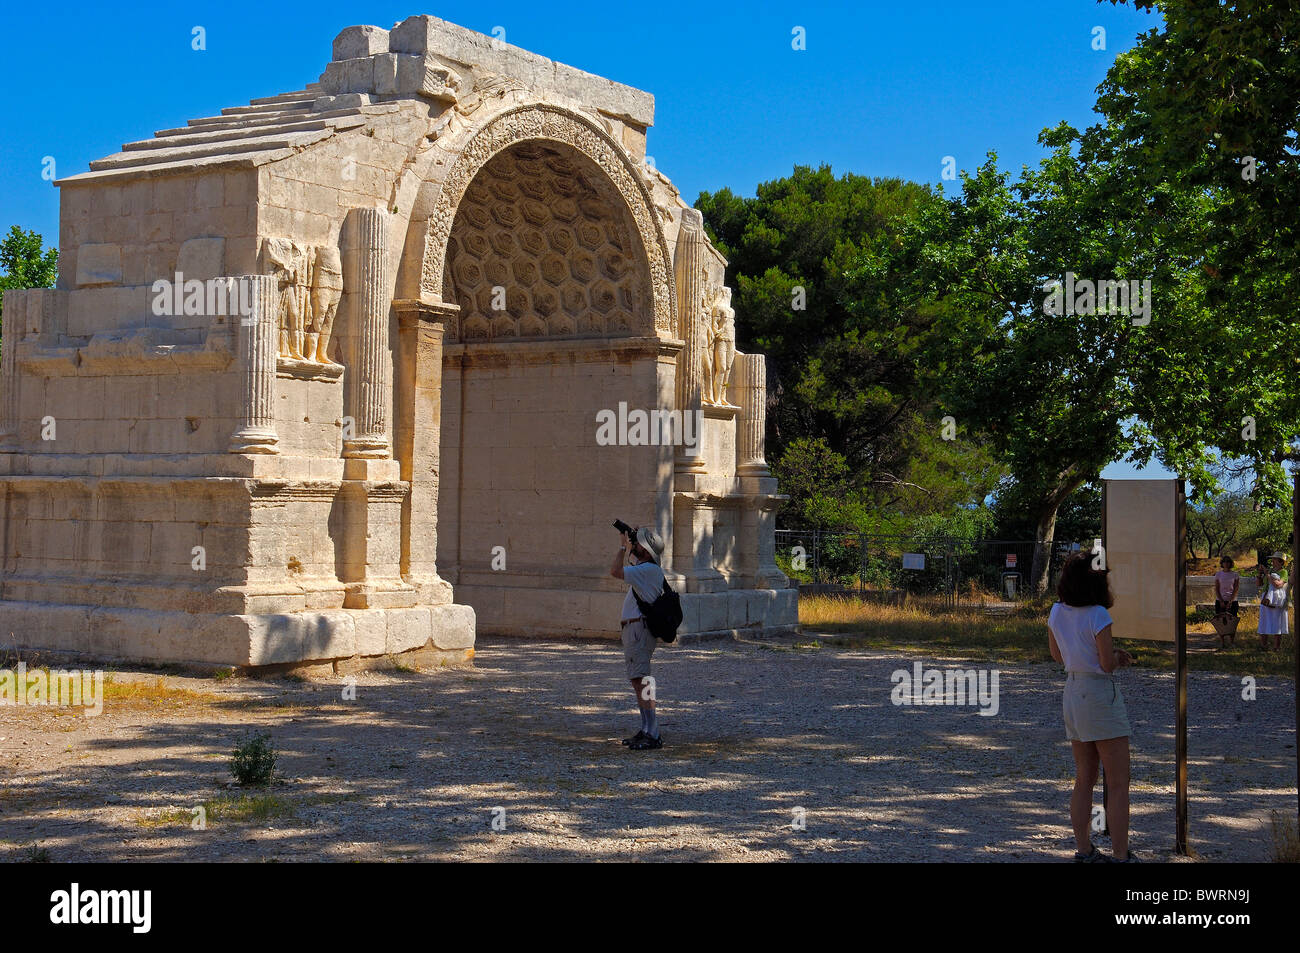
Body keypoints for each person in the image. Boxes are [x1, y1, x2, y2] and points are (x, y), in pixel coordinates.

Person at [1047, 552, 1137, 863]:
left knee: (1084, 776)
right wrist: (1119, 657)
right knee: (1118, 781)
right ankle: (1121, 855)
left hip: (1072, 690)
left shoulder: (1057, 612)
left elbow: (1057, 656)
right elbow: (1105, 664)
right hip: (1099, 693)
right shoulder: (1098, 614)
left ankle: (1084, 850)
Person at [609, 524, 667, 751]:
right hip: (637, 628)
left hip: (638, 629)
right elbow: (632, 565)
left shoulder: (647, 571)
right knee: (638, 679)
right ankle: (647, 729)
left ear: (645, 550)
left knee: (642, 679)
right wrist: (632, 541)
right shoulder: (646, 569)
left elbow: (615, 571)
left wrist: (623, 548)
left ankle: (653, 732)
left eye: (639, 544)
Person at [1257, 552, 1290, 652]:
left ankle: (1276, 647)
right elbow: (1259, 584)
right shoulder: (1270, 571)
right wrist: (1259, 574)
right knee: (1264, 621)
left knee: (1277, 621)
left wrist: (1267, 574)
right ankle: (1263, 646)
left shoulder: (1283, 572)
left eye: (1275, 559)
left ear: (1281, 562)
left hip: (1277, 599)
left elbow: (1278, 585)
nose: (1273, 561)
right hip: (1266, 597)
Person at [1213, 556, 1240, 649]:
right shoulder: (1218, 574)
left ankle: (1232, 642)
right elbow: (1216, 589)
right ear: (1222, 563)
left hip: (1232, 601)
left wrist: (1231, 601)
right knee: (1221, 622)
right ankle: (1222, 642)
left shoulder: (1235, 574)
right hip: (1220, 601)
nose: (1226, 563)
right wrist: (1221, 601)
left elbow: (1236, 588)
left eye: (1228, 561)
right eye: (1224, 561)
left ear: (1231, 563)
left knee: (1232, 622)